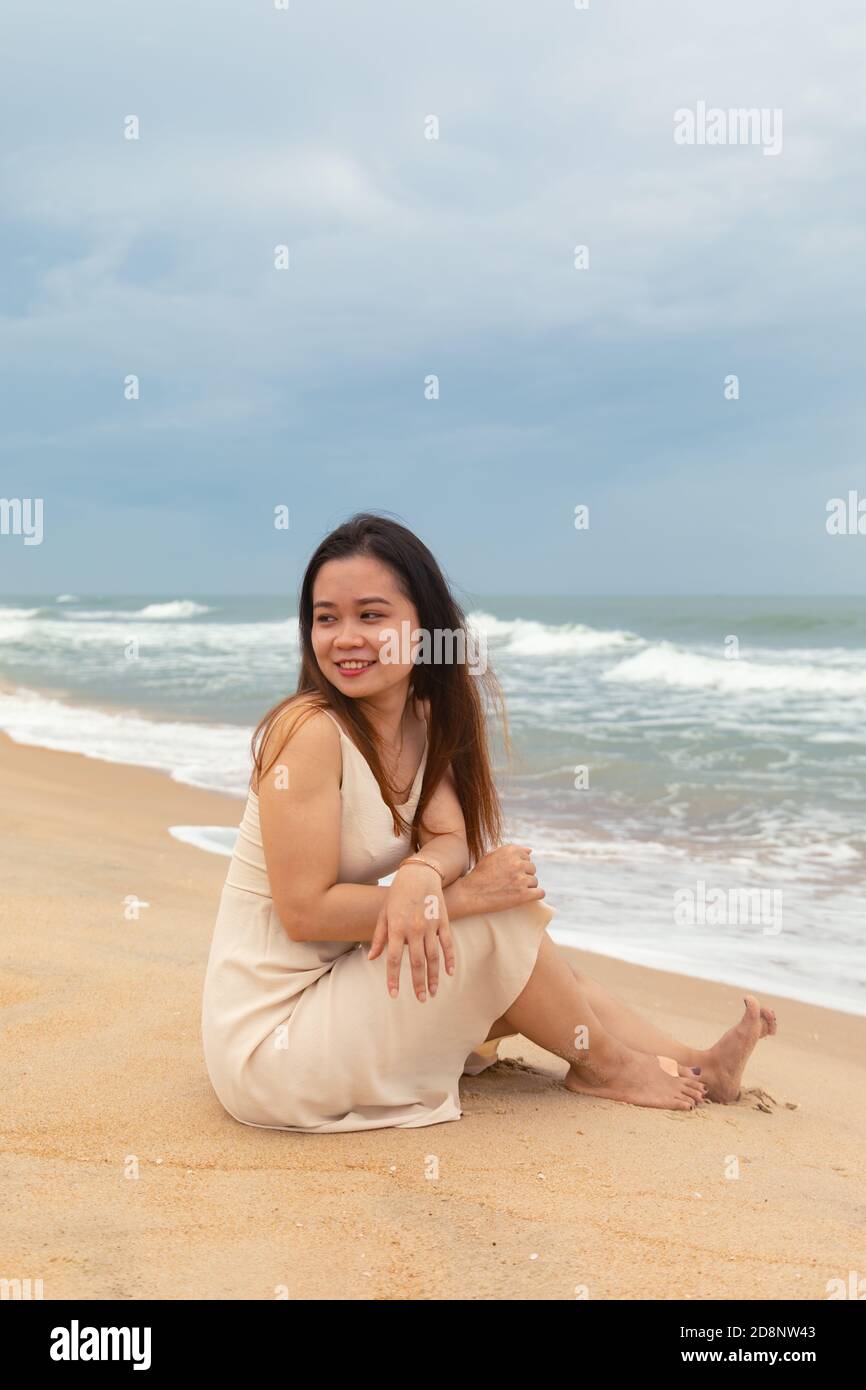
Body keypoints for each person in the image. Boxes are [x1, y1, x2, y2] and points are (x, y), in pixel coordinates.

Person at [201, 513, 776, 1132]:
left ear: (424, 628)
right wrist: (464, 896)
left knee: (521, 958)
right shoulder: (308, 732)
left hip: (342, 989)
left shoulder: (420, 722)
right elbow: (304, 912)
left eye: (371, 615)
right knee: (496, 924)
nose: (344, 637)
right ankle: (608, 1067)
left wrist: (423, 877)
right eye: (326, 617)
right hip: (274, 1043)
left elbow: (447, 836)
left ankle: (696, 1065)